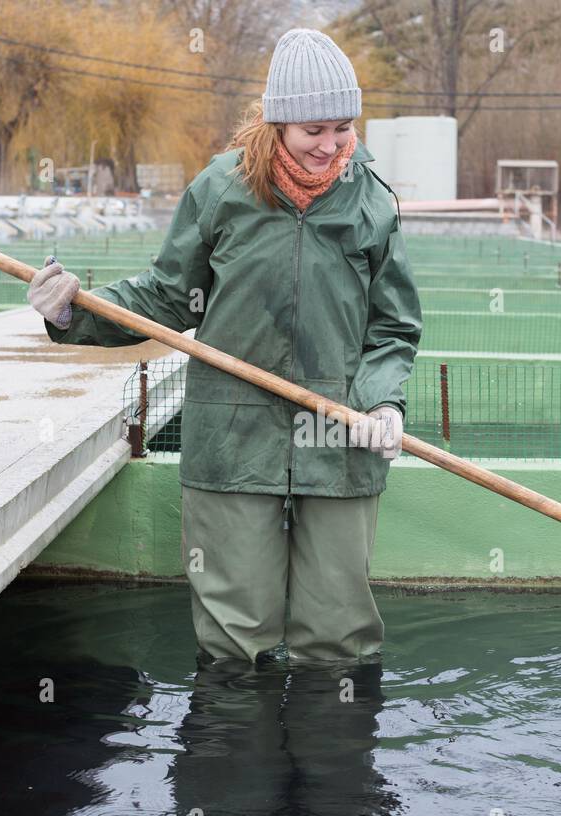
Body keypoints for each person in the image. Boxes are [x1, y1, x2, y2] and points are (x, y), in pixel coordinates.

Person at [28, 28, 422, 664]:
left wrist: (382, 405)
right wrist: (76, 311)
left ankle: (332, 755)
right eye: (312, 130)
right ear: (277, 125)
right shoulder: (222, 191)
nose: (330, 146)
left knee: (338, 637)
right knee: (237, 638)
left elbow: (393, 325)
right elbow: (165, 299)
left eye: (342, 128)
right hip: (231, 439)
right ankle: (239, 754)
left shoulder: (373, 203)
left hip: (340, 439)